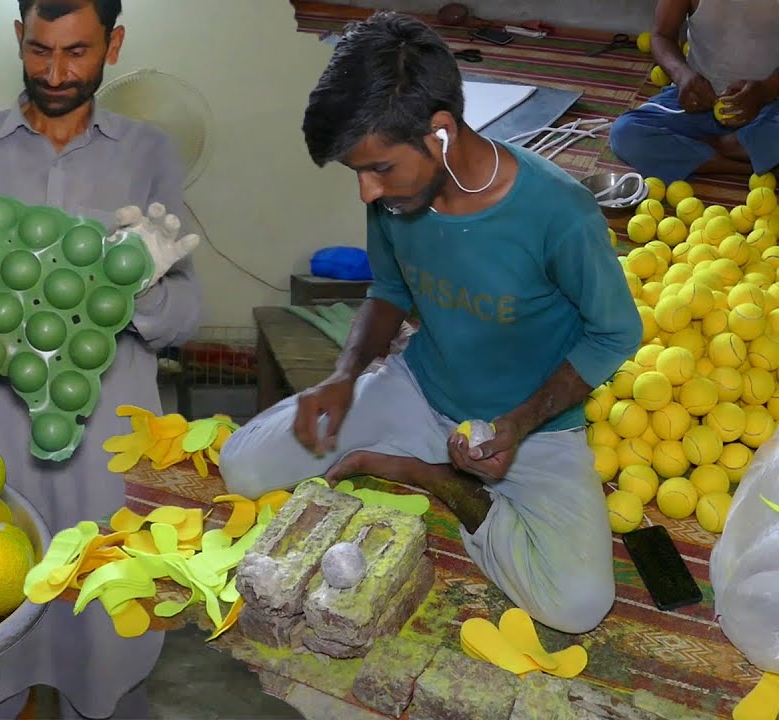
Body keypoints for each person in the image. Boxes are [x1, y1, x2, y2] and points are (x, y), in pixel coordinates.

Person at [218, 12, 643, 635]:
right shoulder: (398, 197)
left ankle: (429, 477)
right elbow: (389, 292)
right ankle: (403, 444)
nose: (366, 192)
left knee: (577, 605)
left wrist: (520, 424)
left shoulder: (559, 212)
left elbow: (615, 333)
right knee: (243, 468)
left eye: (379, 169)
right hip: (416, 392)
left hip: (534, 427)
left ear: (440, 134)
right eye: (357, 173)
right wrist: (343, 376)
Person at [0, 1, 201, 718]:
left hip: (105, 463)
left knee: (110, 656)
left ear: (113, 44)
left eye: (77, 52)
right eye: (39, 50)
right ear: (17, 38)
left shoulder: (149, 153)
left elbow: (184, 316)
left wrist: (142, 284)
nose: (56, 73)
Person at [609, 0, 779, 181]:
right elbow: (661, 35)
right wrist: (683, 76)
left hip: (770, 106)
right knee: (626, 134)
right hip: (700, 103)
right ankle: (743, 160)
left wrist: (765, 90)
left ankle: (706, 150)